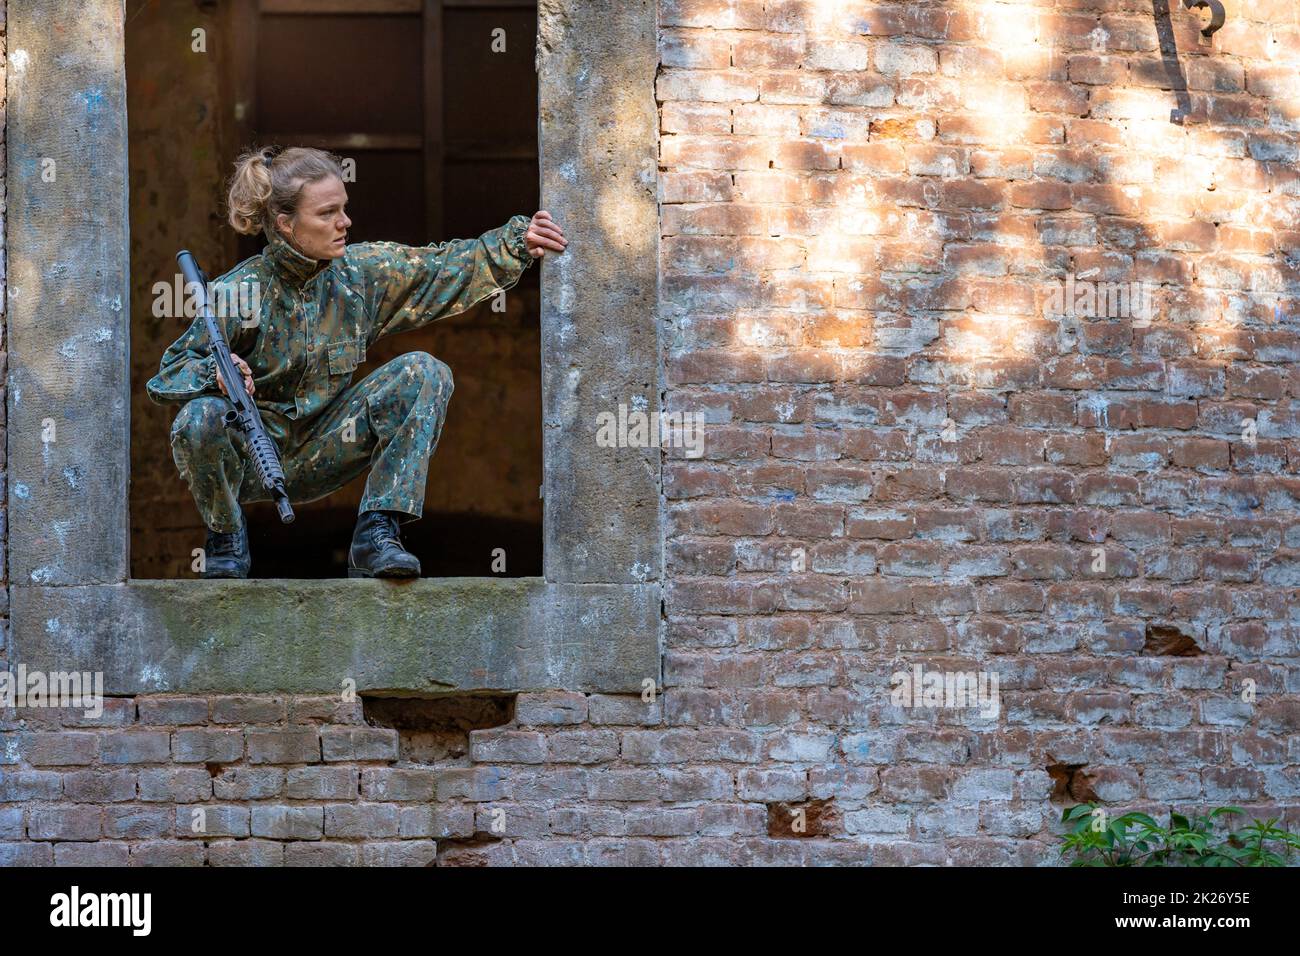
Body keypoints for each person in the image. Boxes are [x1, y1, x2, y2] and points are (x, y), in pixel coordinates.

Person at [145, 145, 568, 579]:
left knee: (423, 373)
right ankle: (226, 536)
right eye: (327, 213)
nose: (344, 223)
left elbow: (441, 269)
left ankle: (377, 533)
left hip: (330, 445)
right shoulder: (241, 290)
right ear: (286, 224)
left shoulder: (361, 274)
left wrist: (519, 242)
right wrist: (215, 372)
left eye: (343, 209)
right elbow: (168, 374)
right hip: (254, 458)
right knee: (199, 418)